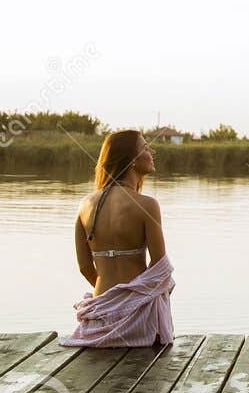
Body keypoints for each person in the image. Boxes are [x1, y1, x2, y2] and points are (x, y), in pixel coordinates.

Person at [62, 130, 174, 348]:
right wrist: (131, 299)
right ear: (132, 160)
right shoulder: (148, 205)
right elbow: (160, 268)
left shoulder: (85, 205)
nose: (152, 151)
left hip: (98, 317)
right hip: (138, 319)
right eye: (145, 147)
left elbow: (85, 267)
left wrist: (114, 299)